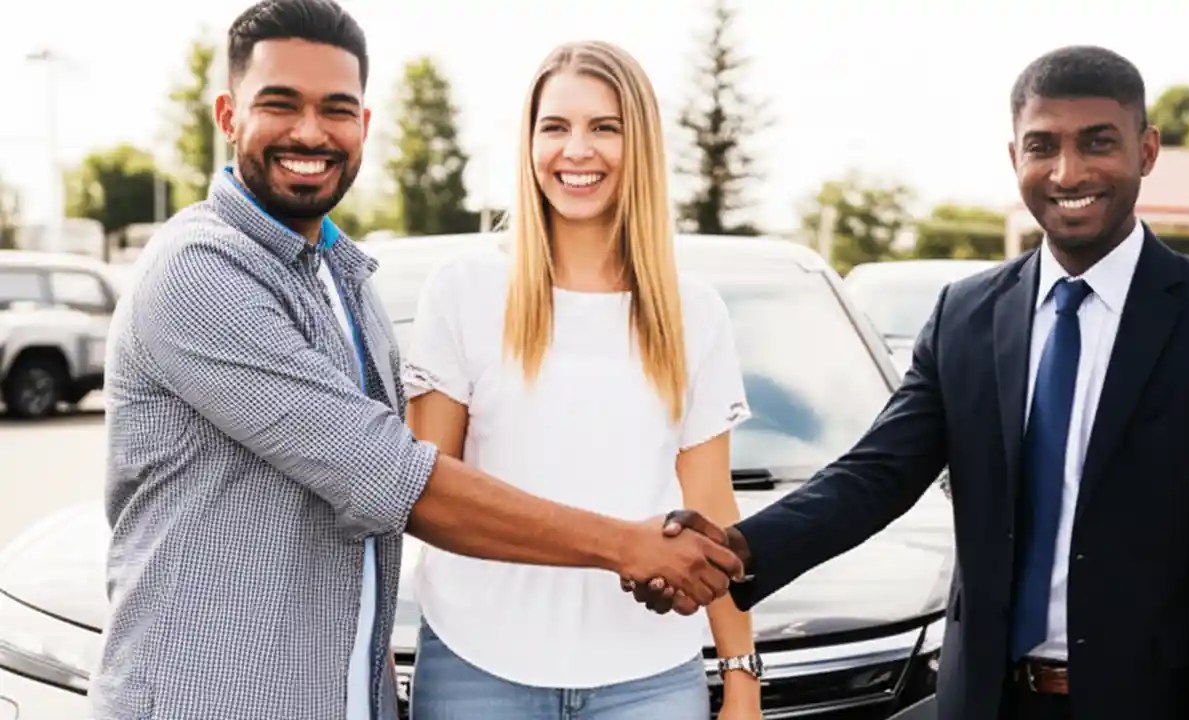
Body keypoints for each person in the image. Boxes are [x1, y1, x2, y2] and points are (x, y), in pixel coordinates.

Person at [91, 3, 742, 720]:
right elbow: (399, 478)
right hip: (213, 699)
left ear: (363, 126)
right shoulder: (199, 273)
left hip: (347, 698)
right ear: (227, 114)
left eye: (336, 109)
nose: (311, 131)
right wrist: (630, 546)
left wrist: (738, 665)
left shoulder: (344, 280)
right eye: (280, 104)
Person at [635, 46, 1189, 720]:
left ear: (1146, 150)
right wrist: (736, 551)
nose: (1067, 171)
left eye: (1098, 143)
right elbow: (874, 476)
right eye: (1042, 146)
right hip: (986, 701)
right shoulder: (967, 317)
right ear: (1014, 159)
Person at [399, 40, 762, 720]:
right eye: (555, 127)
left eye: (605, 127)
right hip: (479, 669)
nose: (576, 150)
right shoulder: (463, 292)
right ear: (528, 142)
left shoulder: (695, 313)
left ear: (641, 146)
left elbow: (712, 504)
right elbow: (428, 497)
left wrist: (740, 674)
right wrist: (615, 545)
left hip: (651, 677)